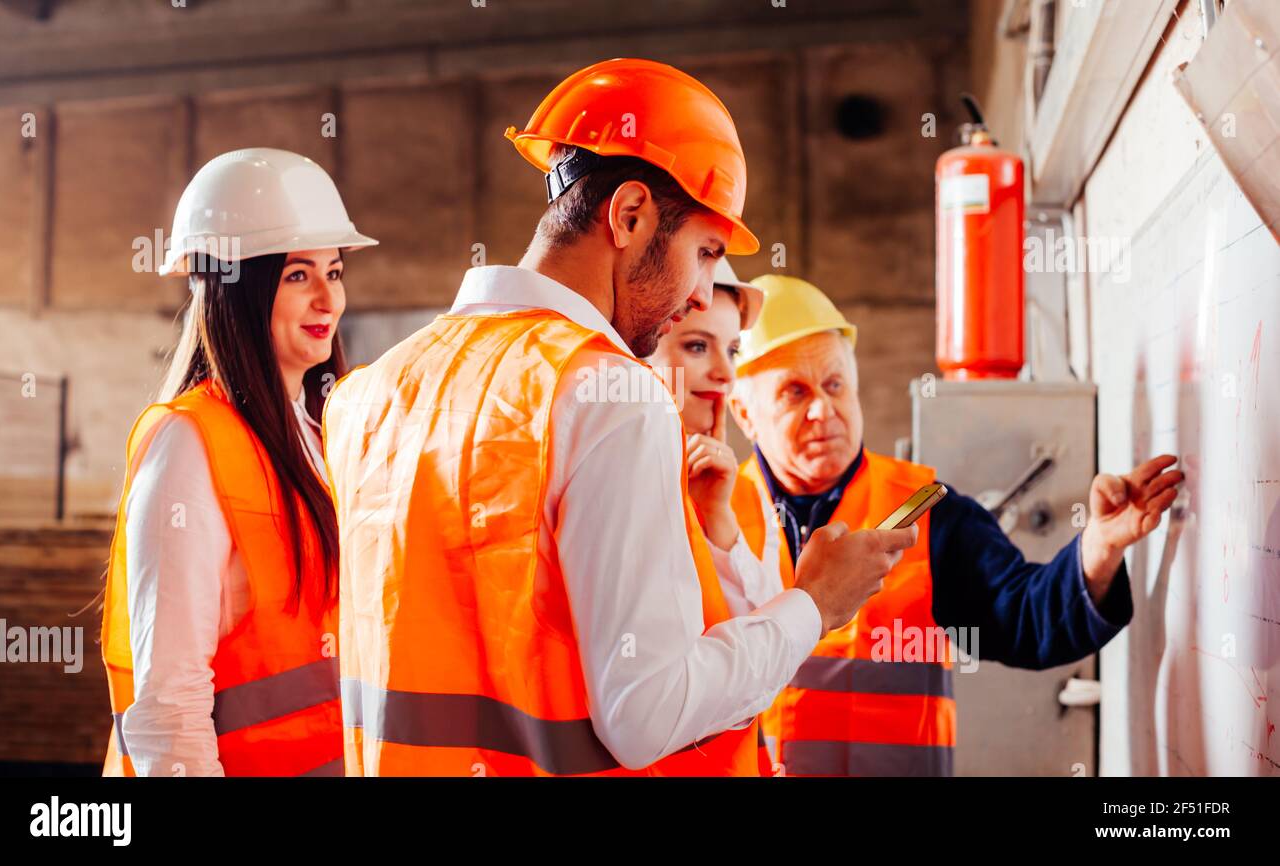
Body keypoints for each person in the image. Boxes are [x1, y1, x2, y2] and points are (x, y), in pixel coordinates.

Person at [323, 58, 917, 776]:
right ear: (629, 215)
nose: (703, 294)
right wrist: (813, 606)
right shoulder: (610, 394)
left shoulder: (371, 391)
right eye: (704, 252)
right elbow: (645, 713)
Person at [726, 274, 1184, 776]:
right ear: (744, 413)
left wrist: (1098, 547)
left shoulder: (926, 513)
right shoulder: (710, 521)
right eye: (794, 391)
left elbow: (1027, 619)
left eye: (835, 384)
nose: (822, 409)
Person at [100, 148, 377, 776]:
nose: (327, 300)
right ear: (237, 290)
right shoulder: (189, 446)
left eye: (333, 272)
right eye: (297, 276)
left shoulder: (325, 432)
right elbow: (169, 705)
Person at [647, 257, 782, 620]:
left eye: (733, 350)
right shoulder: (609, 480)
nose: (725, 373)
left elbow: (774, 647)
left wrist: (716, 514)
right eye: (697, 346)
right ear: (637, 354)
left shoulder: (747, 497)